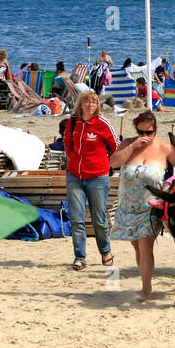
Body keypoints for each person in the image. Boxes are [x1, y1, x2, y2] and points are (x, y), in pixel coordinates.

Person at [110, 108, 175, 301]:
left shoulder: (165, 148)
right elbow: (113, 163)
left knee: (146, 246)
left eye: (149, 132)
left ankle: (146, 290)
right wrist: (133, 146)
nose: (145, 136)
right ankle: (145, 282)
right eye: (141, 132)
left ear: (156, 130)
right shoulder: (128, 144)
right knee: (137, 247)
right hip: (127, 207)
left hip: (150, 207)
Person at [64, 90, 116, 270]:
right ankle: (80, 257)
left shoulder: (102, 124)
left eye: (94, 102)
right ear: (81, 104)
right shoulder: (73, 122)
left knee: (99, 219)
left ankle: (106, 251)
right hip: (74, 177)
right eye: (87, 102)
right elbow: (68, 143)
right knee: (77, 219)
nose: (90, 105)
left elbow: (115, 146)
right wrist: (73, 160)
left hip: (98, 178)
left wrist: (106, 164)